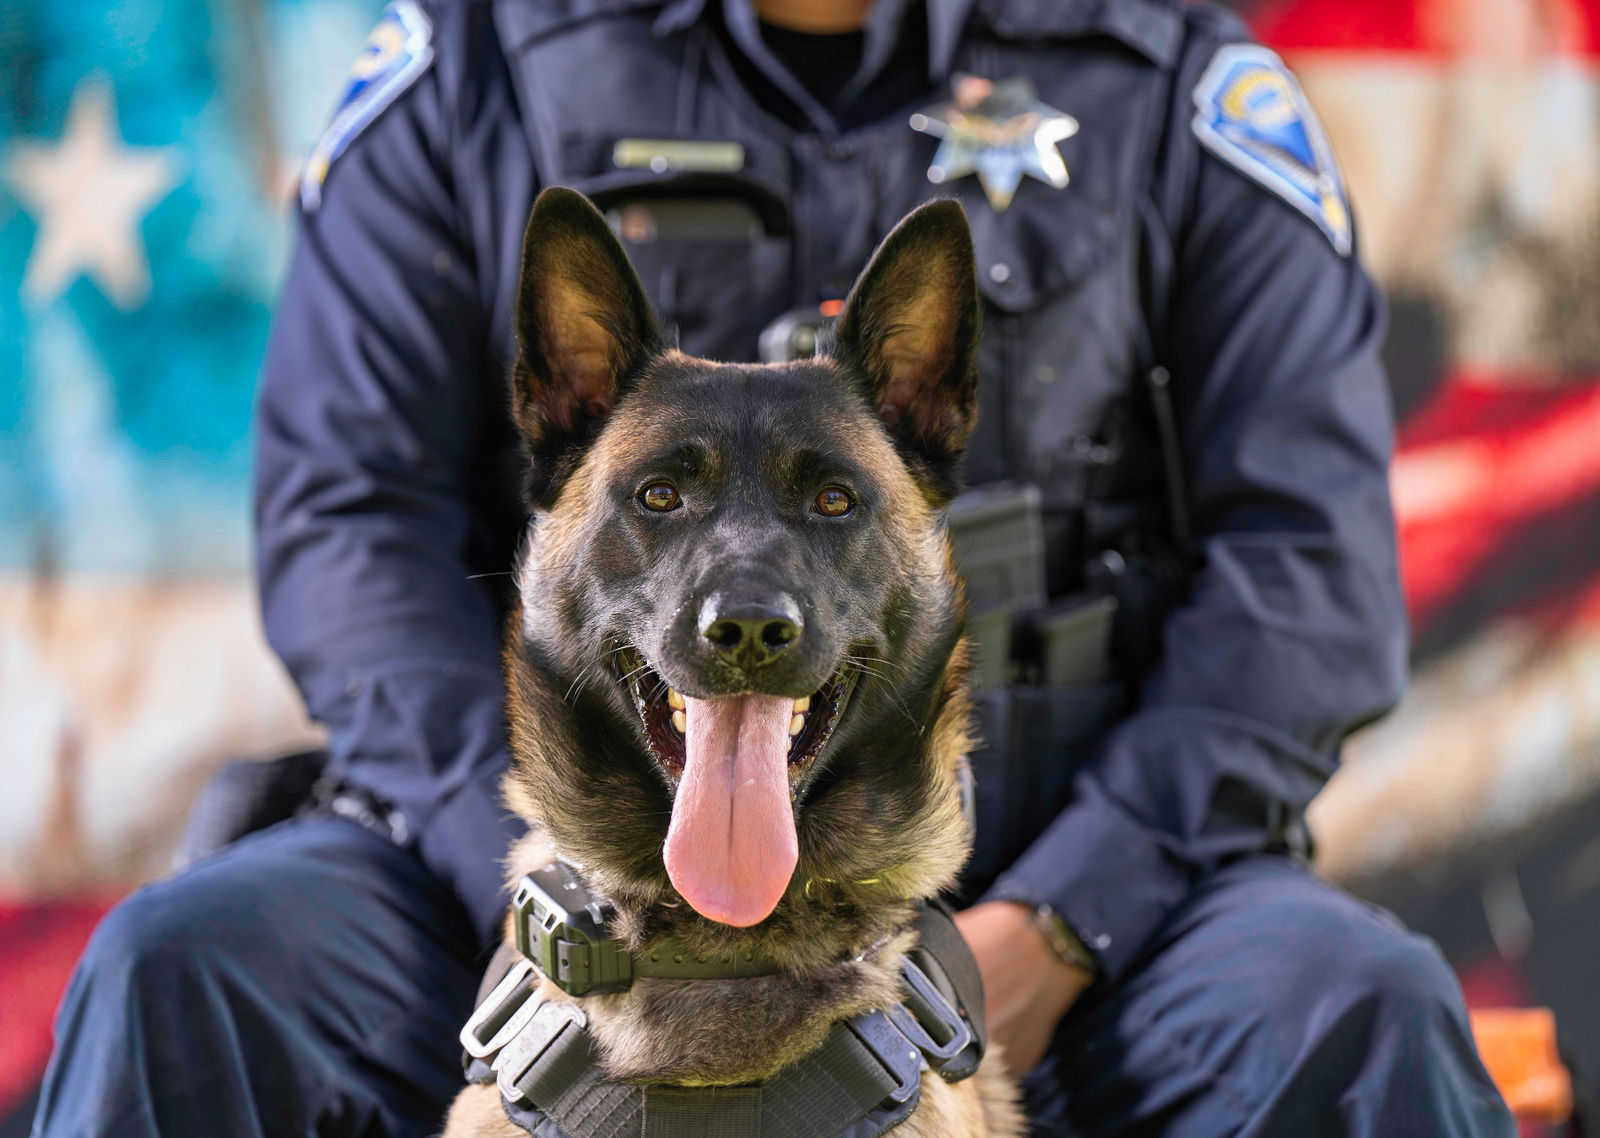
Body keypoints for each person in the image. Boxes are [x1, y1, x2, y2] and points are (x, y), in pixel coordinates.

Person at [33, 0, 1516, 1135]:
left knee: (1357, 1016)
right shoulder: (480, 62)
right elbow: (348, 519)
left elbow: (1304, 566)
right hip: (531, 901)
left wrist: (1065, 921)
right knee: (185, 972)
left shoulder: (1164, 74)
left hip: (1066, 913)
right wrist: (537, 889)